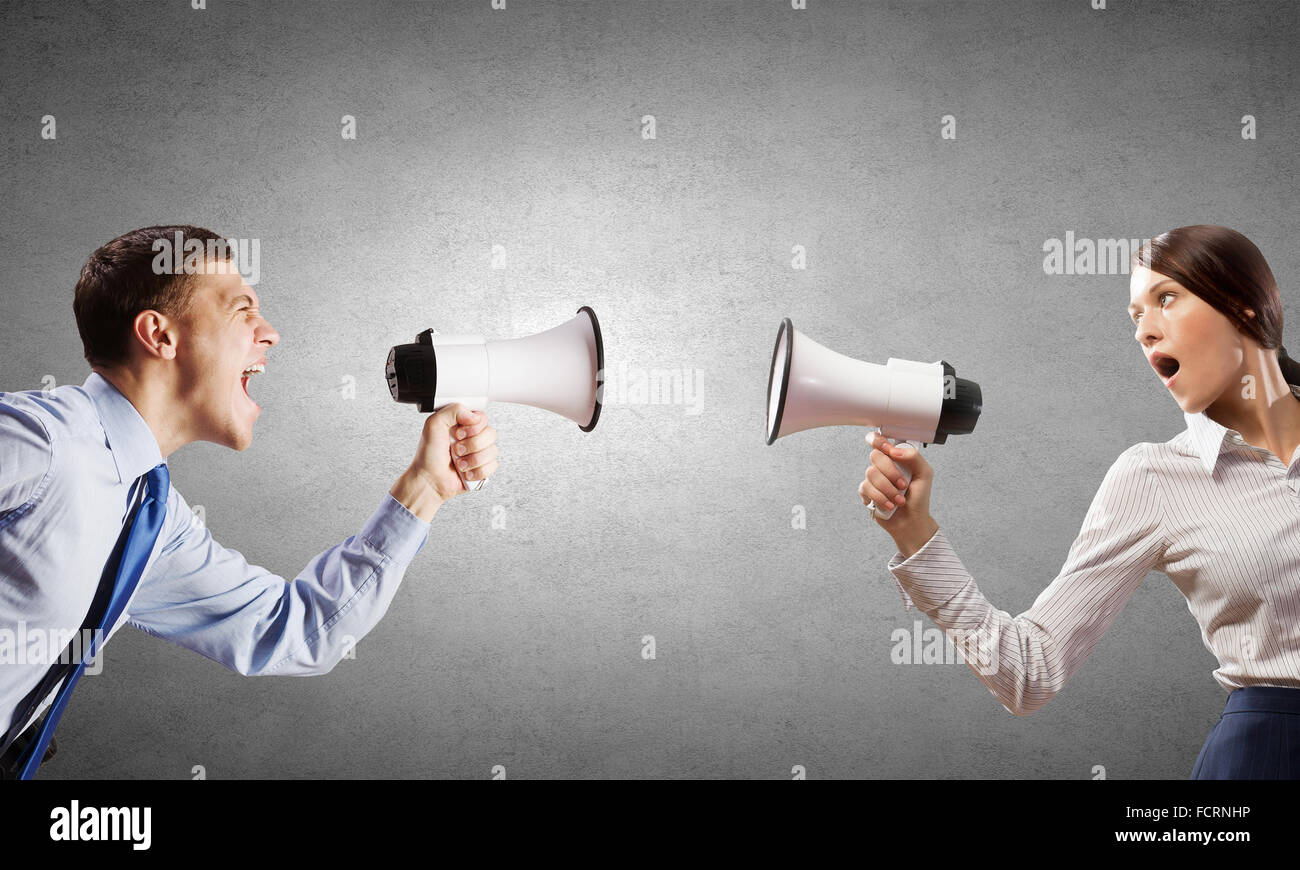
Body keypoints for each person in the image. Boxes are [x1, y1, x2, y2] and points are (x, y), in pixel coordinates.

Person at [0, 225, 499, 779]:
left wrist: (425, 487)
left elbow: (295, 630)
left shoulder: (151, 522)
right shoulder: (38, 442)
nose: (271, 334)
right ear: (159, 337)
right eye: (242, 310)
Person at [861, 224, 1300, 779]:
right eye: (1136, 317)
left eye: (1166, 298)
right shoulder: (1154, 478)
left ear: (1242, 306)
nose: (1145, 332)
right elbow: (1030, 672)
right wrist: (914, 532)